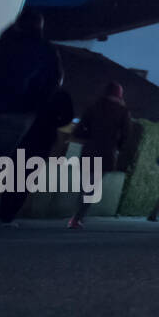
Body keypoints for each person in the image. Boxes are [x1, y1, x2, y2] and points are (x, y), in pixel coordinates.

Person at [0, 88, 73, 226]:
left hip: (25, 136)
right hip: (42, 140)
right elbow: (68, 117)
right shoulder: (60, 96)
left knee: (13, 175)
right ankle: (7, 215)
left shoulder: (35, 90)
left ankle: (4, 210)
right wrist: (53, 122)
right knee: (26, 180)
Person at [0, 10, 63, 157]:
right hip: (20, 112)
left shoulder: (4, 43)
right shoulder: (47, 50)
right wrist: (36, 106)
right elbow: (55, 81)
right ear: (40, 27)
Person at [68, 82, 131, 228]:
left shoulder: (93, 107)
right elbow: (126, 135)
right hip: (106, 152)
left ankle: (76, 215)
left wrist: (88, 137)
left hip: (89, 150)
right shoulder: (123, 111)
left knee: (84, 185)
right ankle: (77, 217)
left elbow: (79, 129)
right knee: (92, 186)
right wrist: (118, 147)